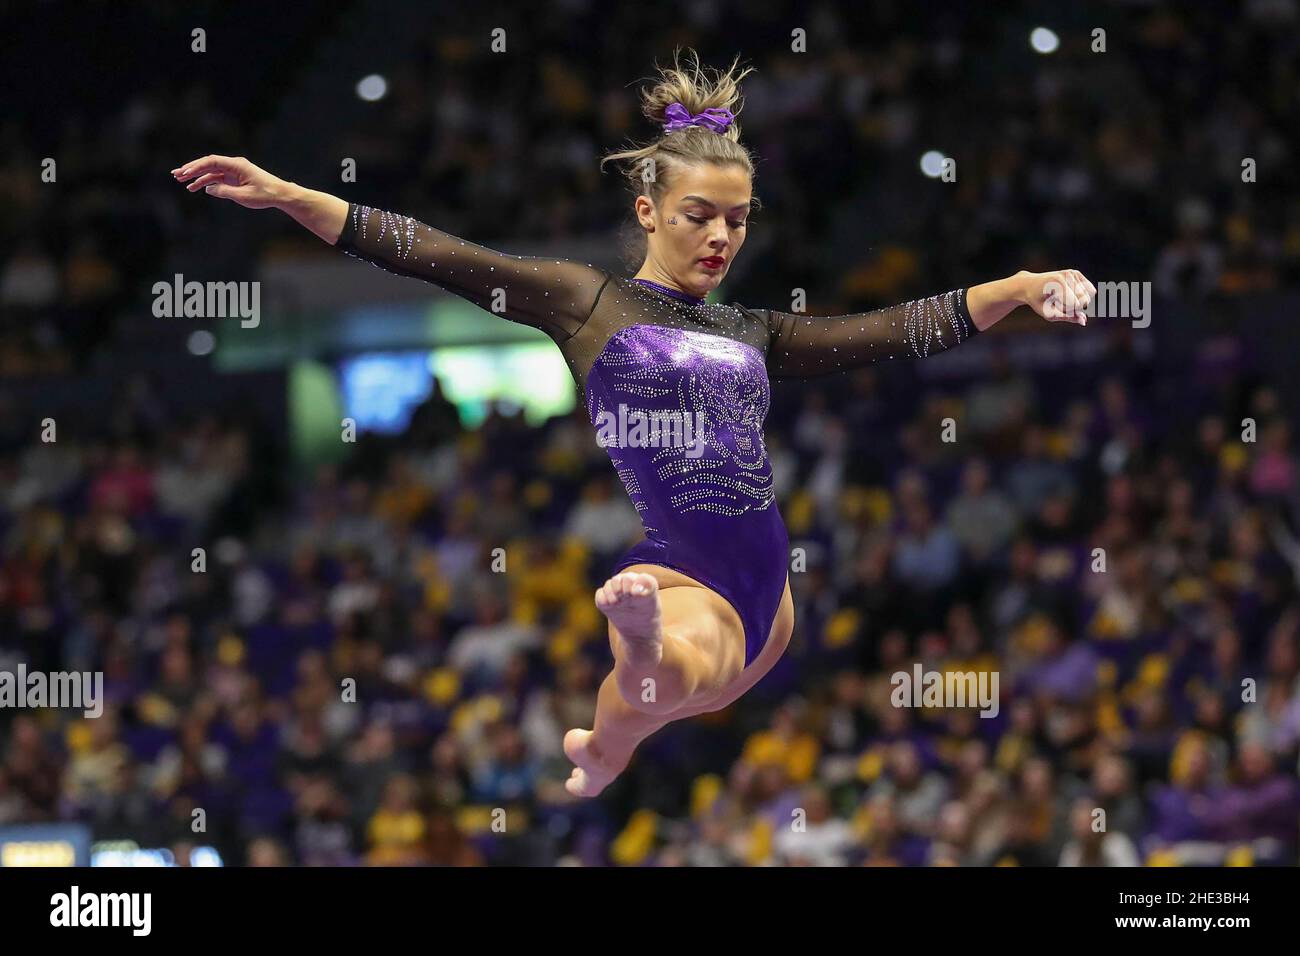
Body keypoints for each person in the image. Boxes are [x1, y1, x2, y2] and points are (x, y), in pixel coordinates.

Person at [171, 48, 1093, 798]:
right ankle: (615, 721)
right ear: (649, 211)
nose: (721, 237)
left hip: (769, 598)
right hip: (683, 574)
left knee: (661, 687)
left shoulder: (756, 330)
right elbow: (436, 255)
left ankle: (611, 740)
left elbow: (890, 331)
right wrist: (292, 194)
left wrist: (1017, 286)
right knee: (661, 670)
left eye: (737, 219)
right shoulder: (588, 304)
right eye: (699, 216)